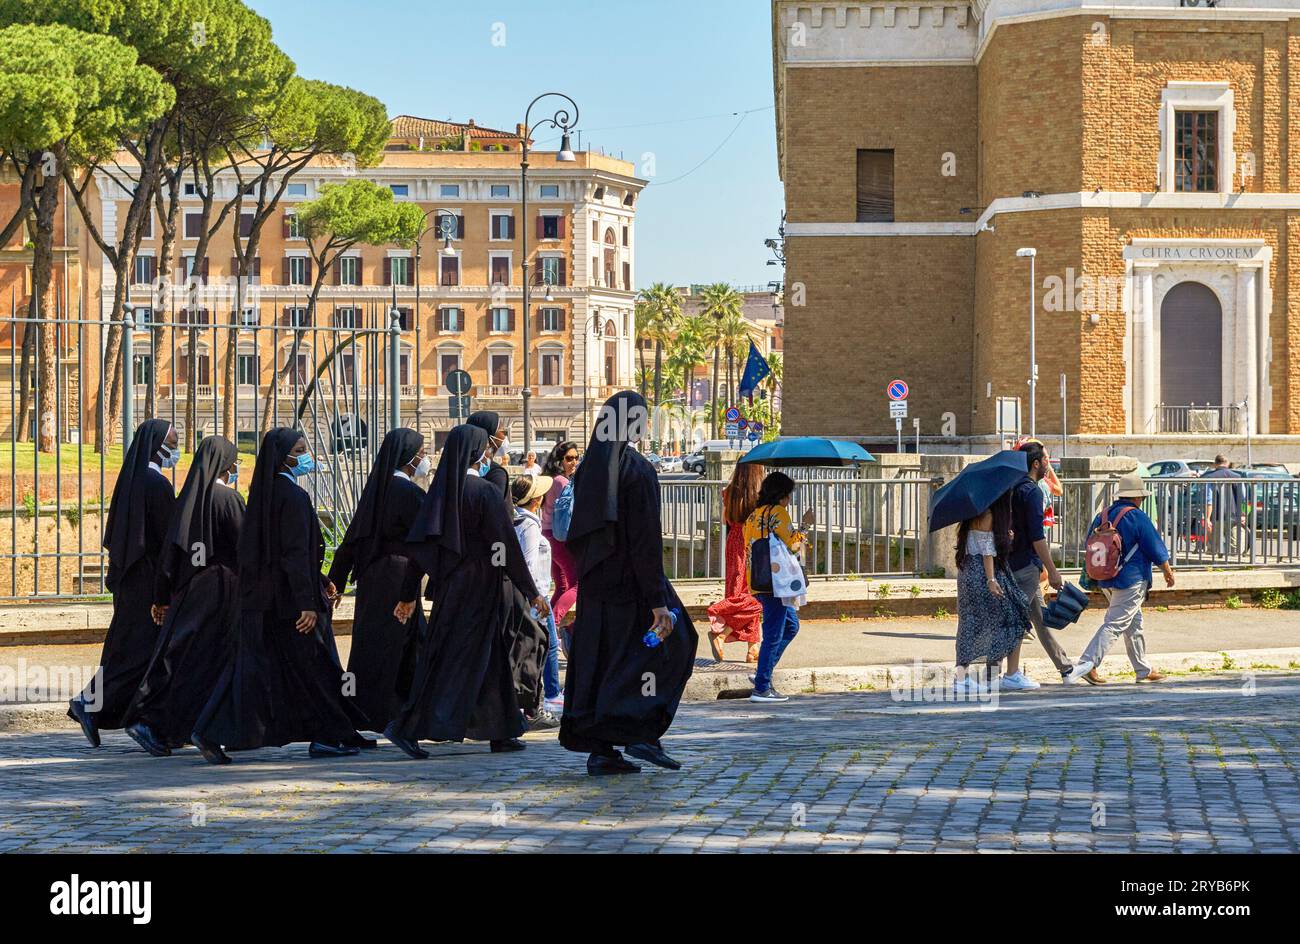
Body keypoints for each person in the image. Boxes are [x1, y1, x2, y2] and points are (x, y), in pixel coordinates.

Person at [191, 428, 367, 764]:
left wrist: (320, 577)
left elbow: (270, 552)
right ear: (284, 456)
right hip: (290, 603)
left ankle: (210, 728)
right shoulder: (294, 498)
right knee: (314, 665)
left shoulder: (261, 496)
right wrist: (307, 602)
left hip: (261, 599)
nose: (306, 454)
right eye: (300, 449)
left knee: (255, 669)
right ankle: (329, 735)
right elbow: (294, 553)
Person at [386, 424, 551, 758]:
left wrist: (407, 594)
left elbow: (422, 549)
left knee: (485, 659)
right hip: (482, 587)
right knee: (462, 659)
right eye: (487, 448)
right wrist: (531, 591)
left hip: (451, 589)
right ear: (480, 452)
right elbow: (507, 546)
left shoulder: (441, 493)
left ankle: (501, 729)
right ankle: (406, 727)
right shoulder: (484, 493)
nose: (491, 452)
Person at [559, 391, 698, 776]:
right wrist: (657, 601)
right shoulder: (637, 470)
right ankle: (640, 731)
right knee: (678, 641)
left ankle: (602, 749)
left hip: (596, 586)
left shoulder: (590, 467)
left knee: (603, 660)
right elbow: (645, 541)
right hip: (633, 586)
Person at [123, 435, 243, 756]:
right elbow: (245, 549)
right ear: (225, 464)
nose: (236, 468)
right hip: (221, 591)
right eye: (235, 462)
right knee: (215, 662)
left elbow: (169, 553)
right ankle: (194, 727)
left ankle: (172, 727)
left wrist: (161, 597)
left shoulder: (186, 499)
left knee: (183, 661)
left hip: (188, 592)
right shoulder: (228, 499)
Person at [68, 419, 177, 747]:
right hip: (148, 584)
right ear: (158, 447)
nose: (177, 448)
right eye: (173, 442)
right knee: (141, 655)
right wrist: (164, 592)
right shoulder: (157, 485)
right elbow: (166, 542)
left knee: (128, 652)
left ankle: (101, 707)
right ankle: (97, 706)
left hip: (129, 579)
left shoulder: (131, 479)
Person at [326, 429, 429, 734]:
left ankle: (367, 711)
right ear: (410, 458)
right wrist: (413, 591)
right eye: (421, 453)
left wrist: (336, 581)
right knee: (403, 646)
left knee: (372, 646)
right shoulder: (411, 494)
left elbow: (351, 541)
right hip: (400, 578)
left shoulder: (375, 491)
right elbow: (422, 546)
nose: (424, 458)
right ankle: (401, 714)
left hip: (372, 579)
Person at [465, 411, 552, 728]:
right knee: (524, 643)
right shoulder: (494, 481)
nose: (503, 438)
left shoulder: (456, 483)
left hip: (468, 582)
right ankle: (520, 710)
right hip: (499, 582)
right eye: (499, 433)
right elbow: (504, 537)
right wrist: (531, 592)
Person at [1065, 473, 1173, 685]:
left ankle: (1143, 669)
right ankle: (1088, 664)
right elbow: (1155, 547)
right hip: (1131, 578)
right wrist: (1168, 571)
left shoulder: (1103, 515)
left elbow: (1091, 542)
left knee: (1134, 622)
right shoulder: (1137, 516)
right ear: (1137, 497)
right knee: (1115, 623)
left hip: (1106, 577)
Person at [953, 490, 1036, 693]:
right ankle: (1008, 673)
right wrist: (991, 580)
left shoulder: (971, 515)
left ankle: (964, 676)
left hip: (967, 573)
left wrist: (1005, 537)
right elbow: (987, 552)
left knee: (969, 622)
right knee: (1013, 617)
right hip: (983, 574)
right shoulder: (988, 515)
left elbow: (979, 543)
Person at [1009, 441, 1075, 683]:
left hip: (1013, 561)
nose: (1049, 464)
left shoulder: (1013, 488)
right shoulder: (1033, 492)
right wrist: (1052, 571)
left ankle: (1065, 667)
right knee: (1016, 619)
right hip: (1026, 565)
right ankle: (1008, 673)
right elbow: (1038, 537)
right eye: (1046, 460)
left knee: (1039, 616)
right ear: (1036, 463)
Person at [744, 472, 813, 702]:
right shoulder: (778, 513)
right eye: (789, 495)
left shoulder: (753, 515)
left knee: (791, 626)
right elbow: (793, 544)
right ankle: (762, 687)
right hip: (777, 582)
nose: (789, 499)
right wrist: (805, 525)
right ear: (782, 495)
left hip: (758, 579)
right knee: (773, 634)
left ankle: (763, 673)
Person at [512, 474, 564, 715]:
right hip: (537, 596)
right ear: (536, 501)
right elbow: (528, 563)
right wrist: (534, 597)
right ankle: (549, 695)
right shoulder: (531, 526)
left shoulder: (516, 520)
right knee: (548, 647)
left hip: (529, 595)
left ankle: (537, 697)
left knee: (538, 647)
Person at [707, 462, 764, 663]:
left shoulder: (728, 492)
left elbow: (725, 520)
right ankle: (721, 631)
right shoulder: (760, 494)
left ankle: (753, 647)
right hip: (752, 542)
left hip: (733, 542)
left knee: (737, 591)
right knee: (757, 595)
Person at [541, 441, 581, 613]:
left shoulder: (548, 479)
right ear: (560, 460)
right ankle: (555, 624)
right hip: (560, 538)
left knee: (561, 586)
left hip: (547, 534)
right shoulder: (562, 482)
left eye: (576, 458)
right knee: (577, 584)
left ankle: (547, 624)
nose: (574, 462)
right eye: (569, 458)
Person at [1201, 454, 1248, 556]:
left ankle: (1214, 561)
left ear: (1215, 464)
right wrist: (1244, 514)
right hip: (1234, 515)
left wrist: (1208, 518)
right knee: (1235, 547)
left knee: (1213, 547)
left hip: (1216, 516)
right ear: (1228, 463)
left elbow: (1209, 499)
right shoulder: (1237, 477)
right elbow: (1244, 498)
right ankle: (1233, 562)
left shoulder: (1210, 477)